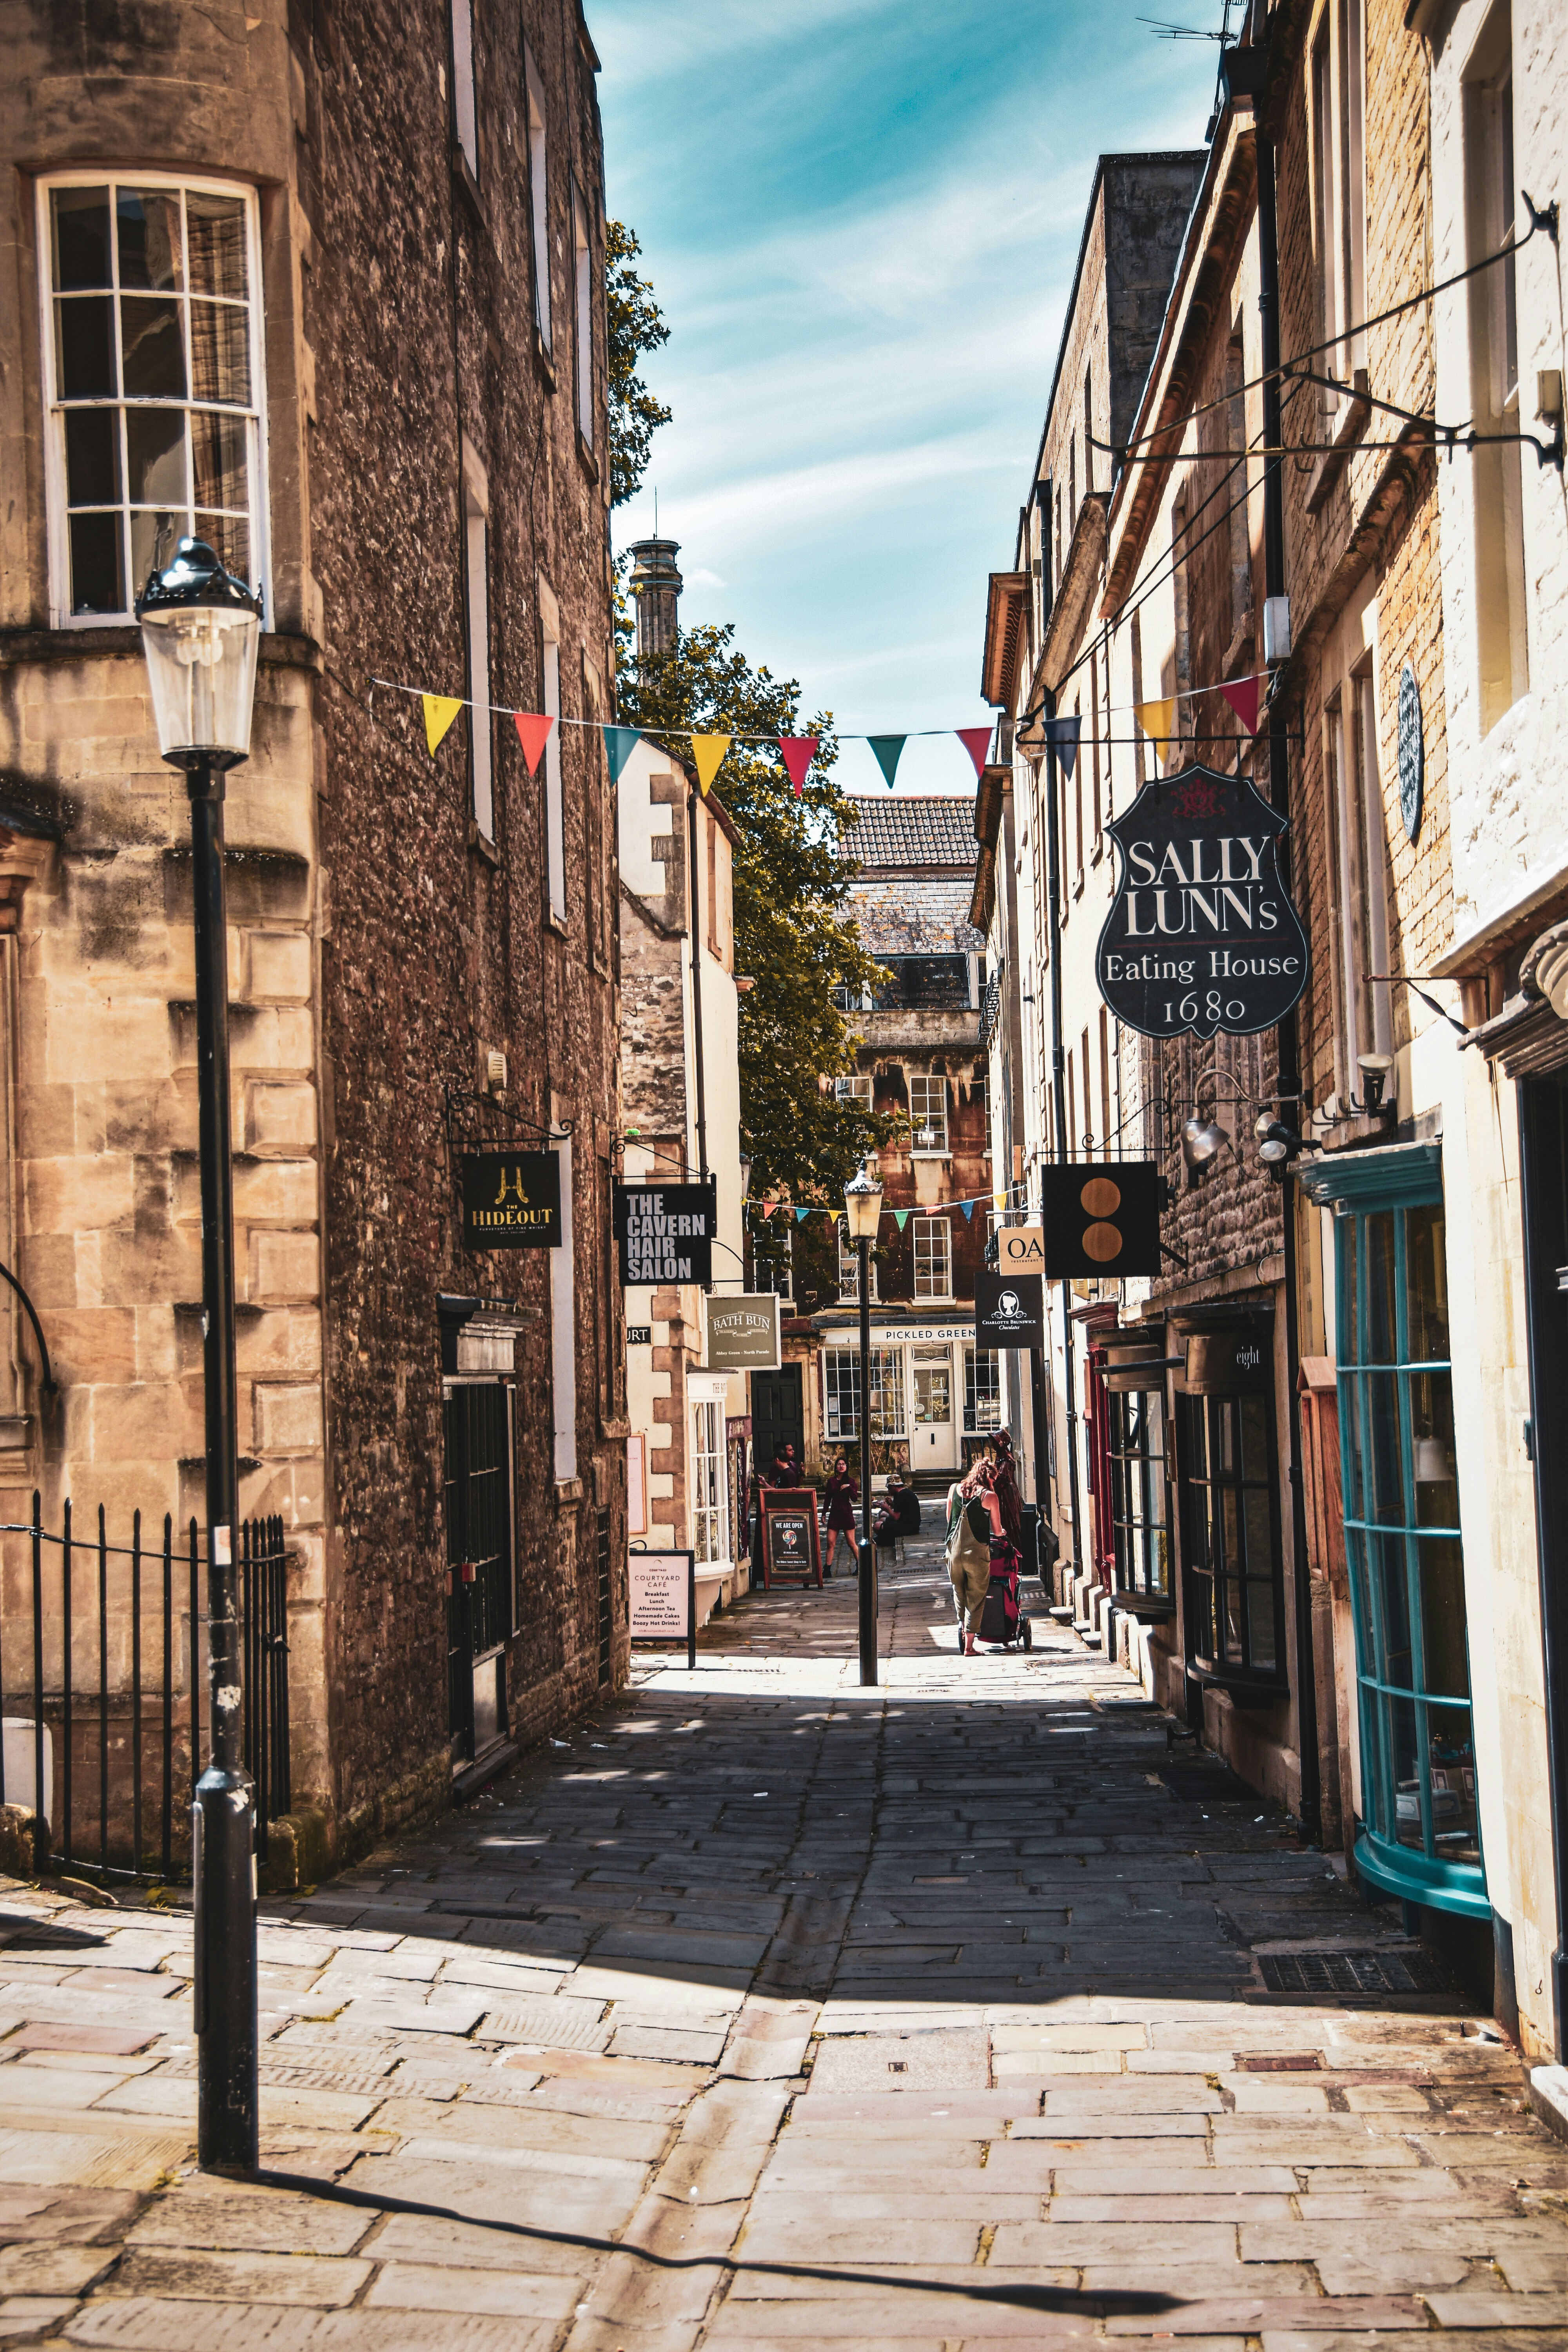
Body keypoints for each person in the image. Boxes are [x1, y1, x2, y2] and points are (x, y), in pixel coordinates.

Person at [821, 1455, 859, 1579]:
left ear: (847, 1467)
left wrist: (849, 1487)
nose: (841, 1466)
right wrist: (824, 1513)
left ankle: (861, 1565)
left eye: (844, 1464)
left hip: (846, 1514)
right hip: (835, 1514)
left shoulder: (851, 1481)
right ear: (836, 1467)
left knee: (851, 1542)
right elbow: (828, 1499)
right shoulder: (831, 1481)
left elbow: (854, 1498)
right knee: (830, 1543)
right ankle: (827, 1569)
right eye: (839, 1464)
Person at [874, 1471, 921, 1550]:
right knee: (882, 1518)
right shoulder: (903, 1493)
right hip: (908, 1522)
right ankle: (886, 1536)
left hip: (909, 1527)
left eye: (889, 1488)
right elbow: (902, 1509)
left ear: (893, 1486)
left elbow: (896, 1517)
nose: (888, 1491)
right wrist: (892, 1505)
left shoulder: (901, 1495)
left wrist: (888, 1508)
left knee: (877, 1526)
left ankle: (887, 1539)